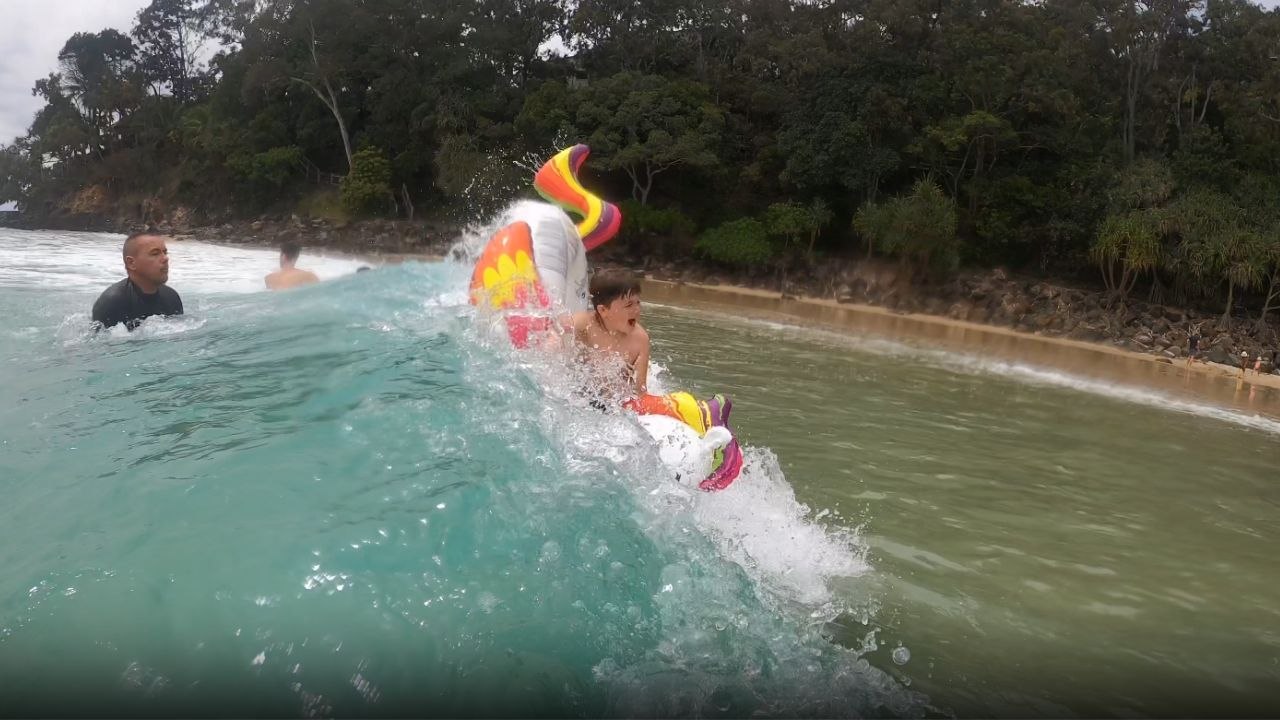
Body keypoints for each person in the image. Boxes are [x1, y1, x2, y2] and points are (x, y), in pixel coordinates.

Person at [568, 270, 650, 398]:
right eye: (629, 305)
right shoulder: (583, 324)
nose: (637, 310)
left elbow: (641, 391)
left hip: (613, 400)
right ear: (603, 310)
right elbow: (553, 334)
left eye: (638, 302)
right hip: (576, 392)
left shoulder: (640, 340)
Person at [91, 232, 183, 331]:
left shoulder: (171, 297)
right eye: (155, 254)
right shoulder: (112, 303)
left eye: (165, 252)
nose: (165, 258)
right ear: (131, 263)